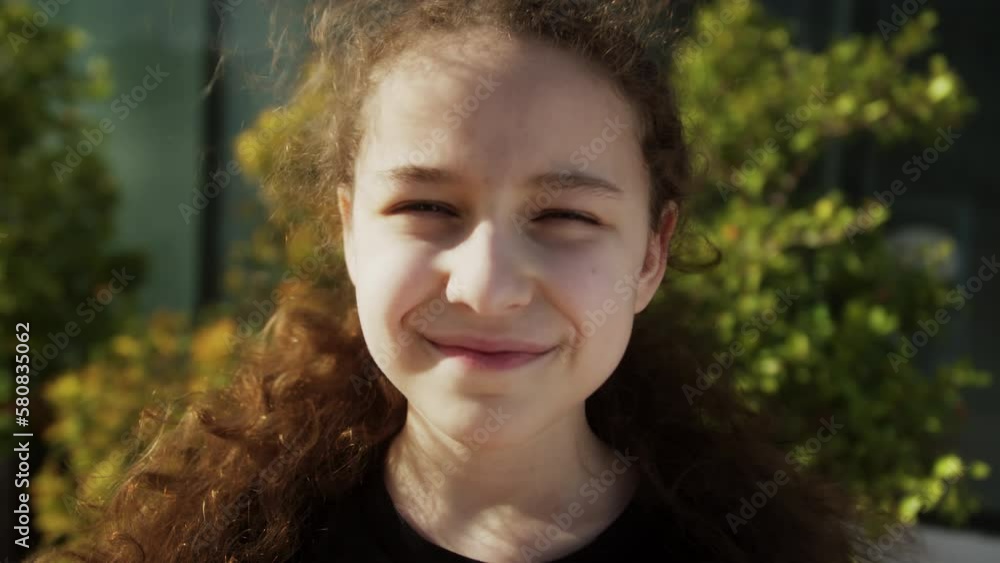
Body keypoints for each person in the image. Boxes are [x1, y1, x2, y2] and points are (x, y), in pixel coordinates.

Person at [31, 1, 867, 561]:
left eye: (566, 216)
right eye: (428, 204)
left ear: (652, 254)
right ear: (348, 230)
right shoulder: (223, 543)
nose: (488, 285)